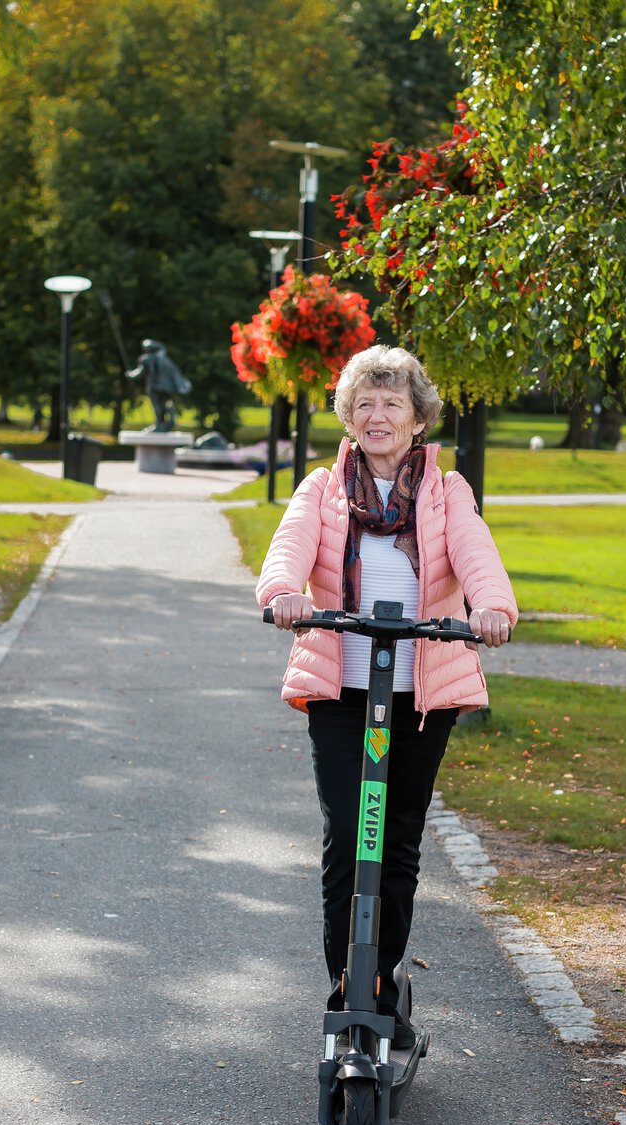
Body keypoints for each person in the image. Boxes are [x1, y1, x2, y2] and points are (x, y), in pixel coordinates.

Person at [256, 345, 518, 1049]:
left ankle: (383, 983)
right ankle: (348, 985)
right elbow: (290, 546)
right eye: (365, 403)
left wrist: (491, 607)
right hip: (343, 687)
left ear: (417, 419)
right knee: (349, 832)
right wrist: (283, 593)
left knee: (397, 839)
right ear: (348, 415)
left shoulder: (444, 489)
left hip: (420, 692)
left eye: (392, 404)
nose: (378, 416)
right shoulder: (322, 487)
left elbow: (474, 551)